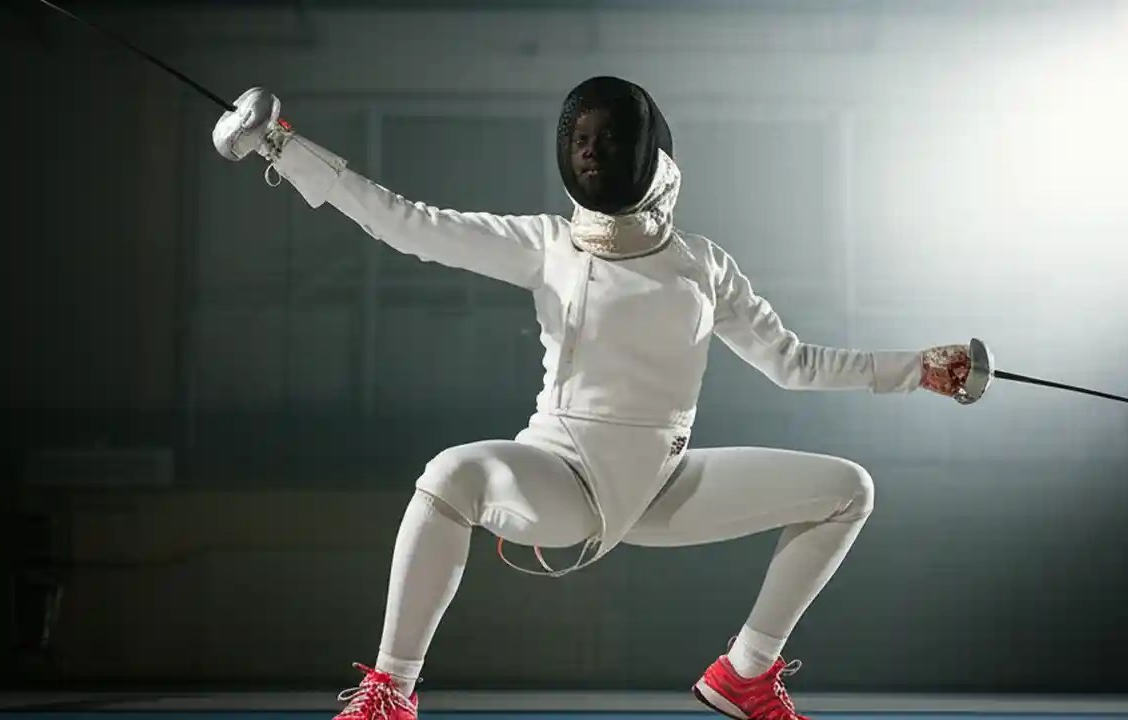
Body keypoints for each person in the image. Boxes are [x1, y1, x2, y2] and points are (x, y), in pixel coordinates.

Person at [212, 76, 977, 720]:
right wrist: (282, 143)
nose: (591, 148)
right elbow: (406, 223)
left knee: (848, 489)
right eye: (580, 136)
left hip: (663, 483)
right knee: (451, 475)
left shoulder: (705, 266)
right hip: (564, 478)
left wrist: (916, 368)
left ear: (651, 153)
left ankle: (745, 672)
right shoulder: (547, 244)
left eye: (610, 137)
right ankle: (391, 692)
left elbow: (793, 362)